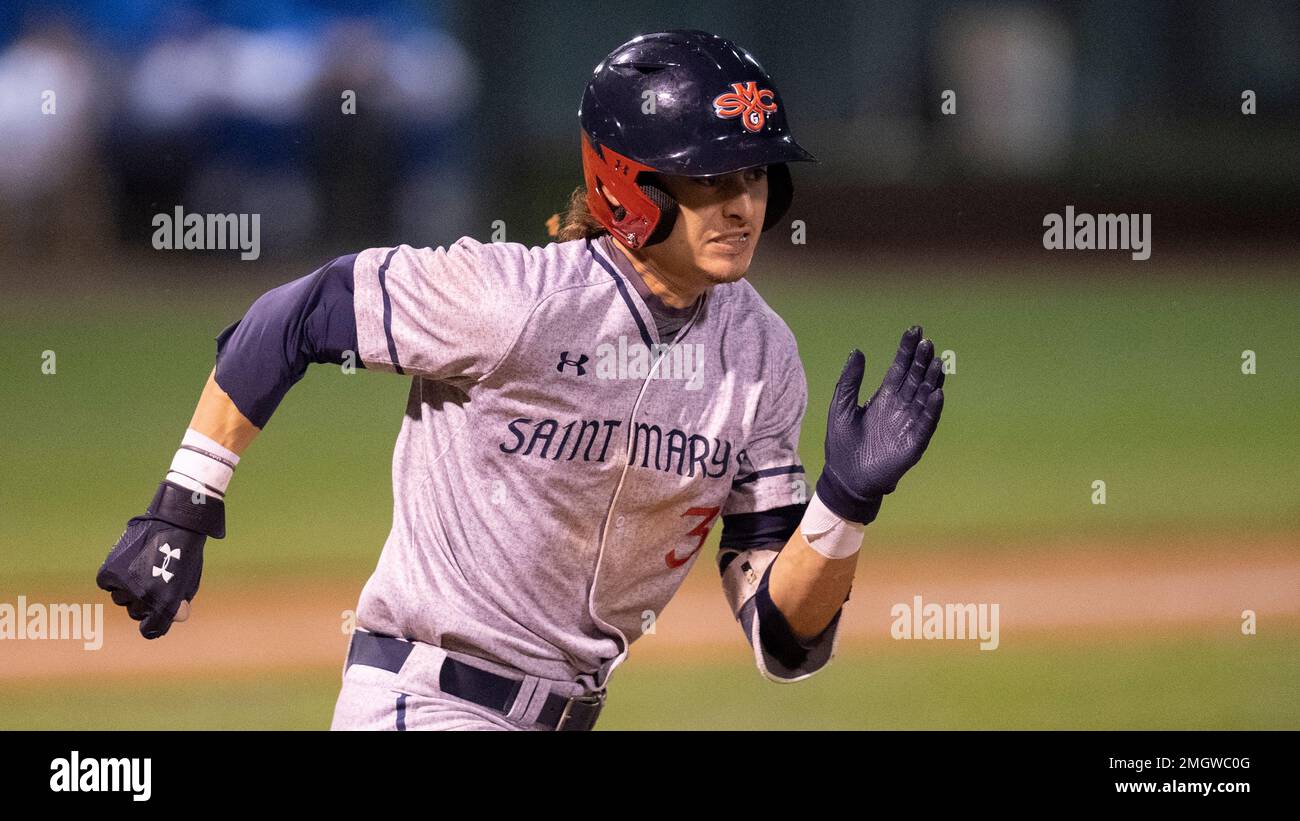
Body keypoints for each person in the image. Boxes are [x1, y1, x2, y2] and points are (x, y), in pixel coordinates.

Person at [96, 29, 946, 731]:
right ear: (630, 185)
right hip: (424, 703)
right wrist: (185, 502)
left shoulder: (761, 355)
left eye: (756, 175)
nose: (743, 205)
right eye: (710, 178)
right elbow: (296, 314)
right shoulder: (516, 301)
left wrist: (843, 504)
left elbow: (783, 643)